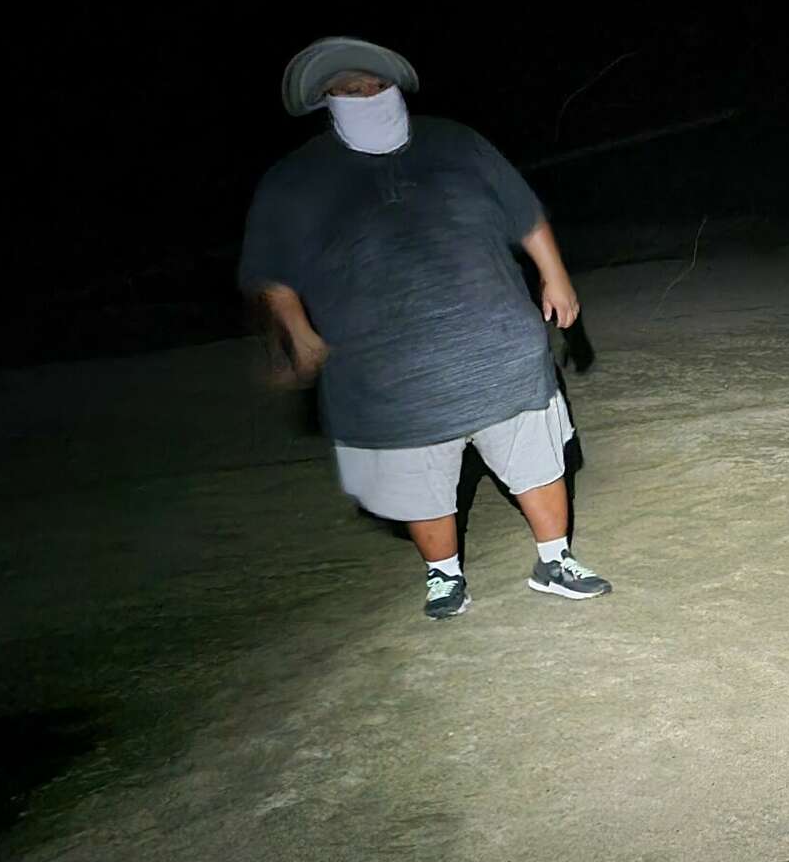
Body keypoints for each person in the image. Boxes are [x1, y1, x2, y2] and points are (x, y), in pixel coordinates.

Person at [239, 36, 612, 618]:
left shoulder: (455, 141)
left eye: (372, 85)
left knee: (535, 452)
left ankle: (555, 559)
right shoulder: (295, 179)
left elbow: (526, 212)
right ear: (324, 102)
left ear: (394, 88)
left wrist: (556, 277)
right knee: (415, 476)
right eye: (345, 90)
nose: (362, 95)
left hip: (495, 344)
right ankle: (443, 575)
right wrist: (298, 330)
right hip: (383, 368)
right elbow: (270, 272)